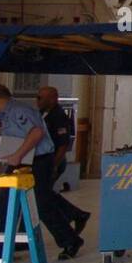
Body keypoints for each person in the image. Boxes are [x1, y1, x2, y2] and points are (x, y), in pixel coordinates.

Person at [0, 84, 82, 259]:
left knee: (40, 205)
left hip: (37, 162)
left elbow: (36, 133)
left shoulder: (19, 111)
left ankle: (70, 240)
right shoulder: (7, 114)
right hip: (21, 162)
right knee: (4, 205)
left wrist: (17, 154)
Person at [37, 86, 89, 238]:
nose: (37, 101)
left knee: (42, 198)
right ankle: (77, 215)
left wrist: (54, 165)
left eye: (41, 98)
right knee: (43, 195)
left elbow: (63, 144)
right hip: (44, 161)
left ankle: (75, 219)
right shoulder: (43, 114)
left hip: (53, 161)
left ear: (52, 98)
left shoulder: (58, 116)